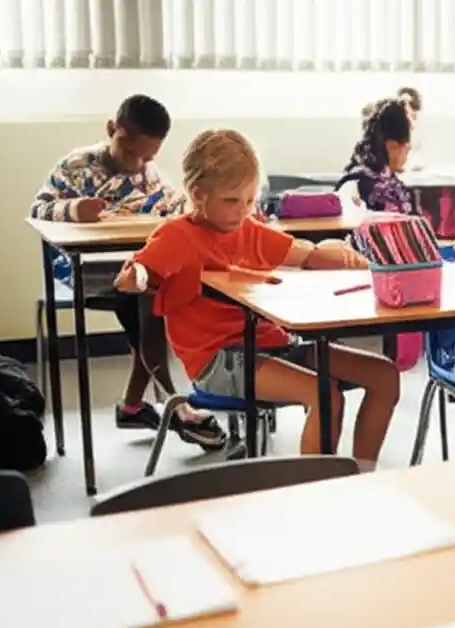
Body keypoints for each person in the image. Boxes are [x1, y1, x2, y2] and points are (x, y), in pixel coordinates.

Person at [115, 129, 401, 462]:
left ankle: (361, 476)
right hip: (217, 361)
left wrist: (368, 261)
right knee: (326, 396)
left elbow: (304, 254)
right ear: (198, 195)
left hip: (272, 346)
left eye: (250, 201)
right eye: (231, 201)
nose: (242, 211)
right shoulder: (177, 236)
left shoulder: (247, 229)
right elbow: (132, 277)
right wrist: (138, 277)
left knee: (384, 376)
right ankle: (317, 493)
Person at [30, 94, 226, 449]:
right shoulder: (76, 166)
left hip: (134, 264)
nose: (137, 164)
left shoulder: (148, 176)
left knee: (164, 288)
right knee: (147, 294)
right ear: (111, 130)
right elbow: (38, 208)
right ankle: (173, 402)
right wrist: (74, 209)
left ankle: (139, 404)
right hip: (82, 267)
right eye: (130, 152)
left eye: (147, 157)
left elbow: (174, 211)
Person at [337, 99, 415, 214]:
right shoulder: (385, 189)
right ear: (392, 146)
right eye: (407, 147)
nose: (407, 154)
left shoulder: (353, 175)